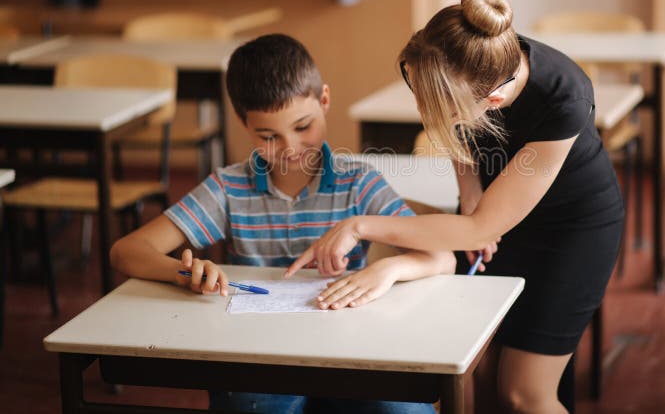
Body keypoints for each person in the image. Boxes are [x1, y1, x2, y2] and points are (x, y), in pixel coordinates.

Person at [289, 0, 625, 414]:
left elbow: (482, 228)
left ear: (495, 100)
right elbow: (458, 137)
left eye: (437, 106)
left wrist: (360, 224)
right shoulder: (464, 59)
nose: (424, 112)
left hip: (573, 232)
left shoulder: (564, 97)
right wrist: (471, 194)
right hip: (496, 210)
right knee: (478, 374)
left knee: (523, 395)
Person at [110, 34, 454, 414]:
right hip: (260, 358)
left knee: (405, 410)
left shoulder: (358, 182)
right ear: (244, 123)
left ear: (324, 101)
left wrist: (387, 268)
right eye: (269, 136)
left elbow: (442, 257)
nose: (290, 148)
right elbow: (127, 251)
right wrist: (185, 271)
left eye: (303, 126)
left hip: (350, 353)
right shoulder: (230, 188)